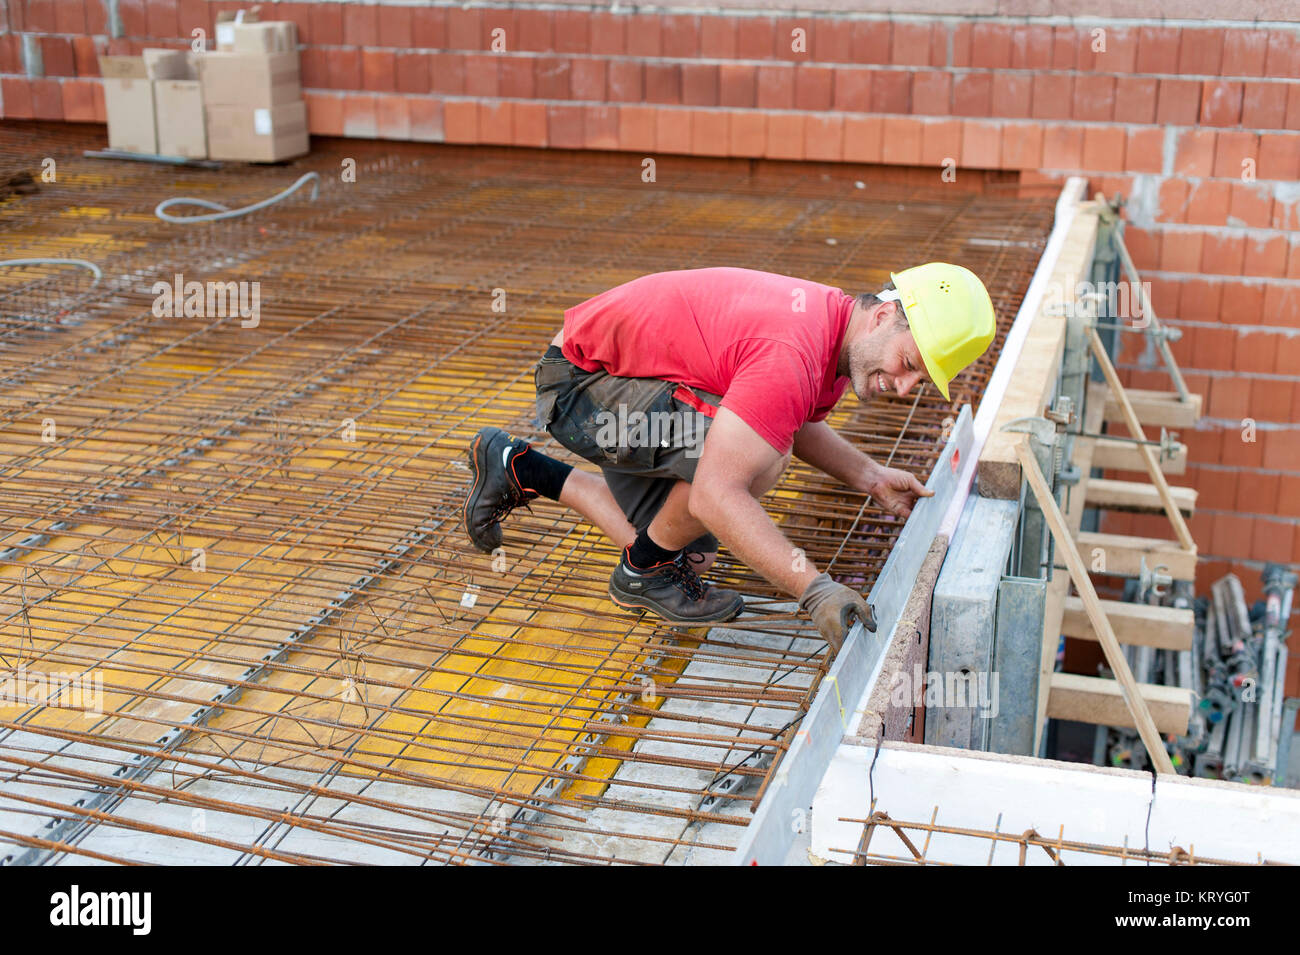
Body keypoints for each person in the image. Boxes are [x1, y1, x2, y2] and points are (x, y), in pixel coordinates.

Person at [463, 263, 995, 650]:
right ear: (883, 316)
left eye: (918, 380)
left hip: (624, 385)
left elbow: (790, 415)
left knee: (692, 556)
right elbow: (722, 488)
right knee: (757, 462)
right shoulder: (796, 348)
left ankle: (515, 465)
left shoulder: (833, 331)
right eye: (908, 362)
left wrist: (871, 476)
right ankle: (642, 574)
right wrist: (814, 590)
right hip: (582, 387)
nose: (902, 386)